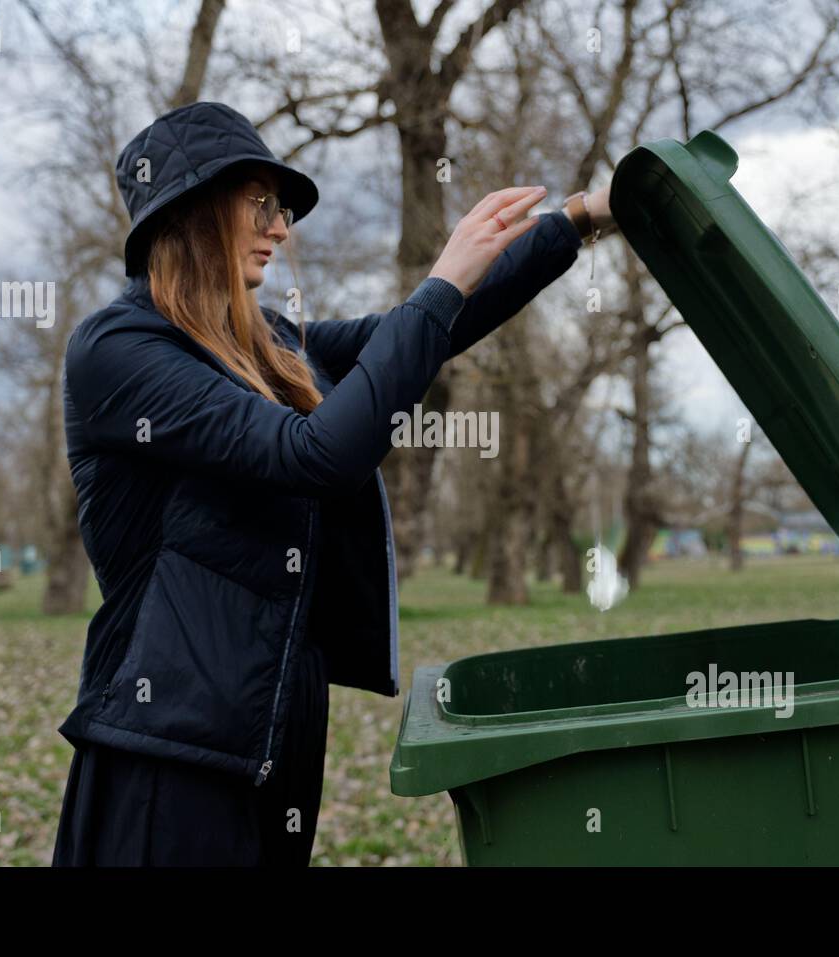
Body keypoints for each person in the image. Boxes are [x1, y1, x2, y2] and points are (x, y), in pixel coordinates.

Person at [50, 100, 616, 866]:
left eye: (280, 210)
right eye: (260, 204)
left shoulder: (271, 341)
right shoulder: (119, 349)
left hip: (277, 723)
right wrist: (441, 281)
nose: (281, 227)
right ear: (190, 210)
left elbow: (418, 332)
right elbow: (317, 453)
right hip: (171, 742)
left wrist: (581, 217)